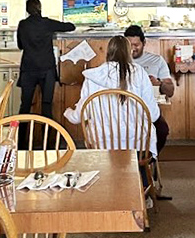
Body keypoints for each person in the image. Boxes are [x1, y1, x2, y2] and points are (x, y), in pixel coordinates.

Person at [64, 36, 160, 153]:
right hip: (137, 145)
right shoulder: (139, 73)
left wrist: (68, 112)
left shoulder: (93, 76)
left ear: (108, 52)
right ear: (129, 52)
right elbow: (153, 115)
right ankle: (143, 170)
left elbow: (79, 116)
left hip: (102, 143)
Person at [17, 0, 75, 120]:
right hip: (47, 69)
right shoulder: (47, 23)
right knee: (46, 105)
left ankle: (20, 138)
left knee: (25, 106)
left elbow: (20, 45)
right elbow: (71, 27)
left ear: (27, 10)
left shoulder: (22, 25)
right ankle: (47, 138)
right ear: (40, 8)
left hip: (28, 69)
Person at [123, 25, 173, 155]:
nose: (132, 49)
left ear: (144, 43)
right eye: (129, 45)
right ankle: (126, 160)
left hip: (148, 110)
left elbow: (170, 91)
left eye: (136, 45)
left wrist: (159, 83)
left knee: (162, 130)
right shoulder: (118, 62)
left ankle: (148, 158)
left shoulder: (156, 61)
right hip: (122, 110)